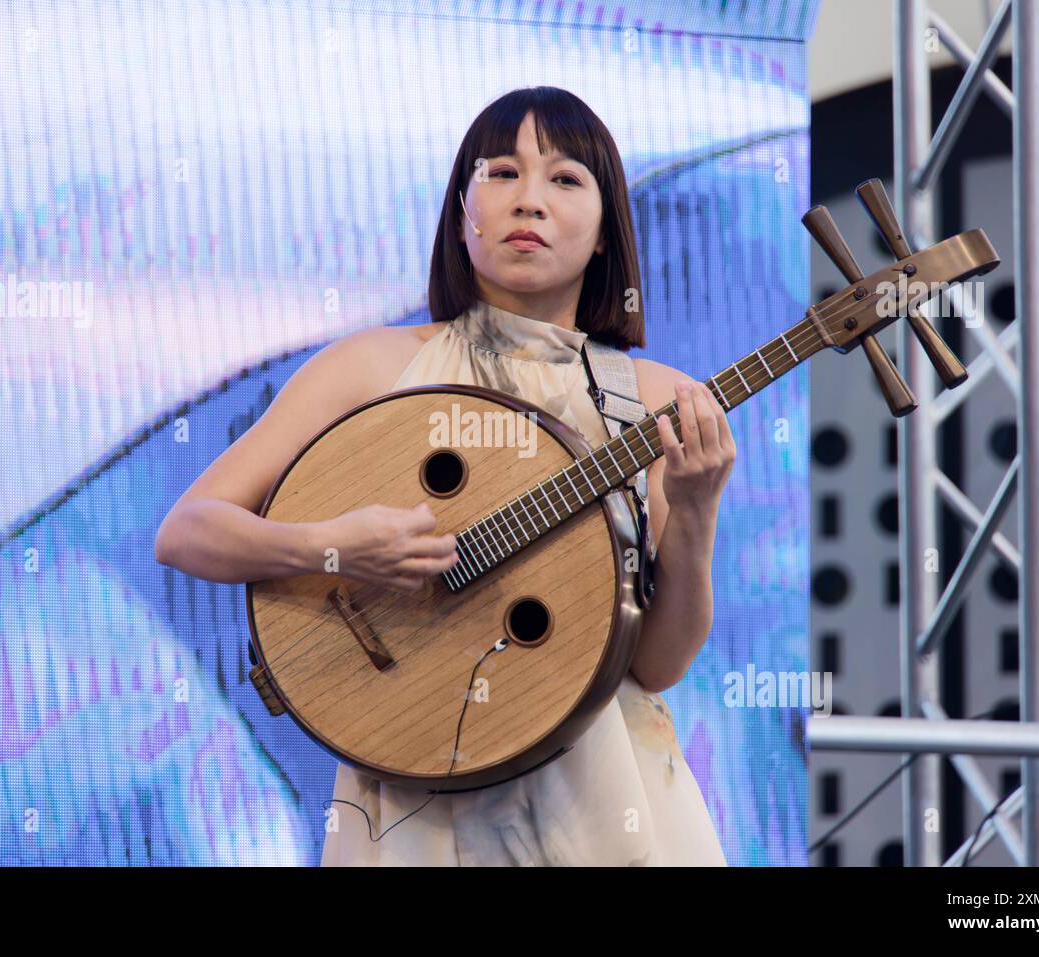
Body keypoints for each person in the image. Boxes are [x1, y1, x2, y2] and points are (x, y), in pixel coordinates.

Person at [155, 86, 736, 866]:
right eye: (501, 174)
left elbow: (656, 664)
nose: (528, 199)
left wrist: (695, 513)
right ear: (462, 212)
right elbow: (187, 530)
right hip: (411, 796)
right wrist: (331, 548)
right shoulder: (372, 368)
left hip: (609, 807)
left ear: (606, 233)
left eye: (565, 180)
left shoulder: (655, 399)